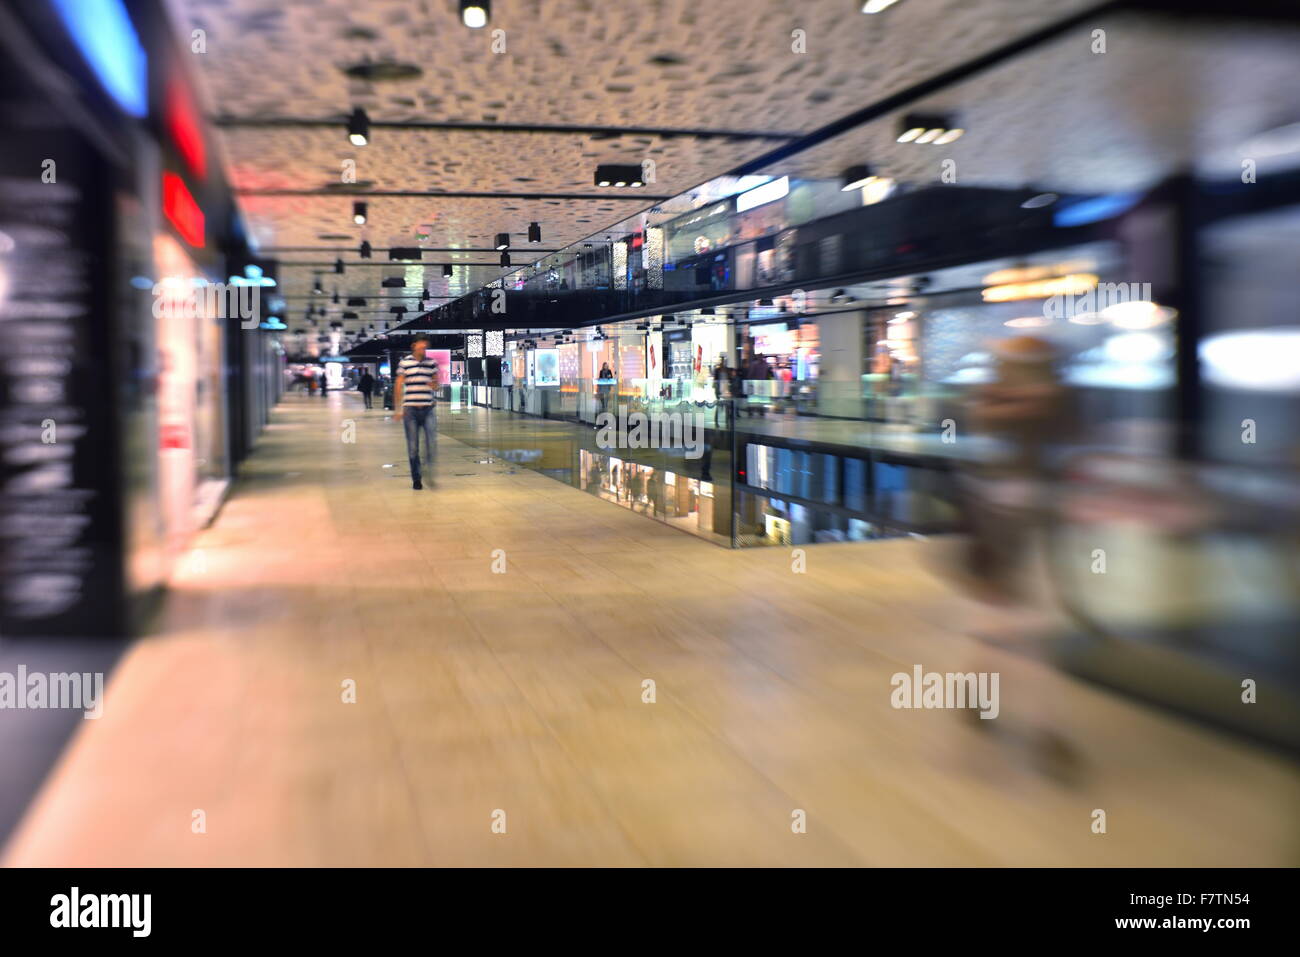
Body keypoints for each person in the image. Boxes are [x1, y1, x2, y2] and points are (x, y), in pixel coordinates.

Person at [395, 337, 440, 490]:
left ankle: (427, 468)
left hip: (428, 409)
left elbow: (436, 386)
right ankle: (417, 478)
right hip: (411, 411)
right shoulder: (405, 363)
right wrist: (398, 409)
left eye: (425, 348)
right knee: (413, 447)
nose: (423, 350)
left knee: (431, 443)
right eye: (421, 347)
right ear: (414, 346)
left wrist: (435, 385)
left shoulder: (431, 363)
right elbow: (398, 385)